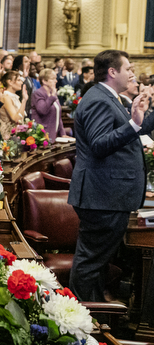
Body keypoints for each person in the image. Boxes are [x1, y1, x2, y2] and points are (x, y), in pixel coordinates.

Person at [69, 50, 154, 302]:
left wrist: (139, 119)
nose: (132, 73)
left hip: (107, 194)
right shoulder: (98, 99)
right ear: (112, 72)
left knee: (97, 264)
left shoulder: (110, 97)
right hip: (102, 195)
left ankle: (94, 320)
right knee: (90, 264)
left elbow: (132, 129)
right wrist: (133, 125)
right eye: (128, 68)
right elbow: (99, 144)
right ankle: (77, 325)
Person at [30, 68, 66, 139]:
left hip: (54, 134)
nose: (56, 81)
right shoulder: (38, 93)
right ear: (44, 81)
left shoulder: (53, 93)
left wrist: (62, 133)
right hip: (43, 134)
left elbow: (58, 115)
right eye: (53, 79)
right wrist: (52, 96)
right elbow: (42, 110)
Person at [0, 69, 28, 140]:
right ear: (10, 82)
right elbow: (16, 119)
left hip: (16, 135)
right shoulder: (6, 97)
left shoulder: (13, 96)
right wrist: (24, 100)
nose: (21, 82)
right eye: (18, 80)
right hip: (9, 137)